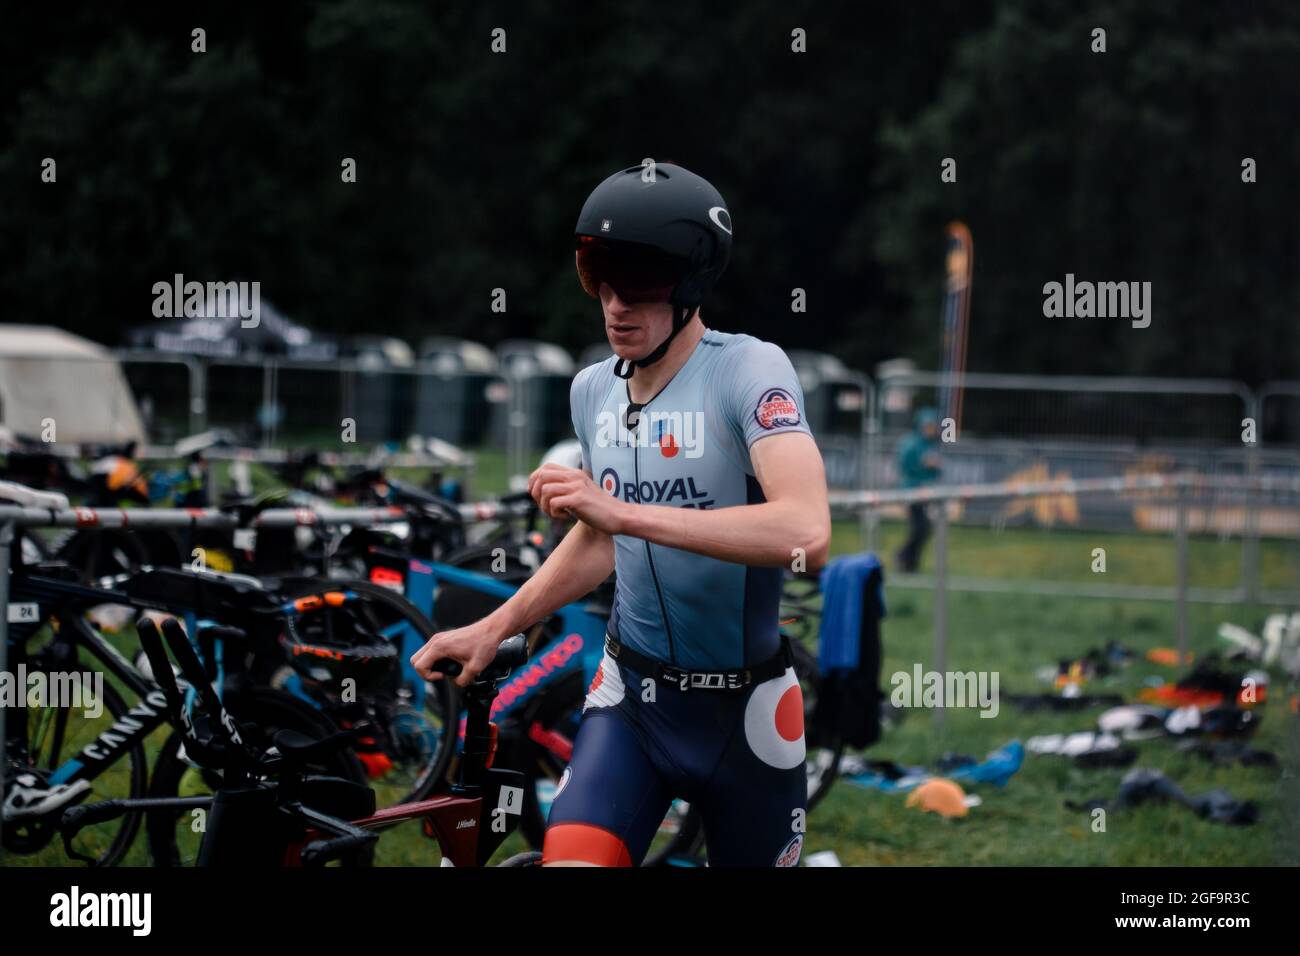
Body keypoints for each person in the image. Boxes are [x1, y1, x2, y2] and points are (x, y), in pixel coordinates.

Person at [411, 162, 831, 867]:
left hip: (748, 715)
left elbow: (807, 534)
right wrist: (494, 627)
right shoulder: (591, 391)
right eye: (598, 279)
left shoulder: (750, 371)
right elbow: (599, 539)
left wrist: (624, 513)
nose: (615, 304)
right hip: (630, 703)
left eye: (637, 284)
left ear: (691, 283)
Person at [894, 407, 943, 572]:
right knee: (921, 528)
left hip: (925, 493)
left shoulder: (932, 445)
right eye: (928, 426)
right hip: (912, 492)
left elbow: (936, 471)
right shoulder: (912, 443)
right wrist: (923, 464)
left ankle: (910, 561)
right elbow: (905, 465)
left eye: (933, 426)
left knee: (923, 528)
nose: (931, 430)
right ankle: (905, 557)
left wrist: (935, 466)